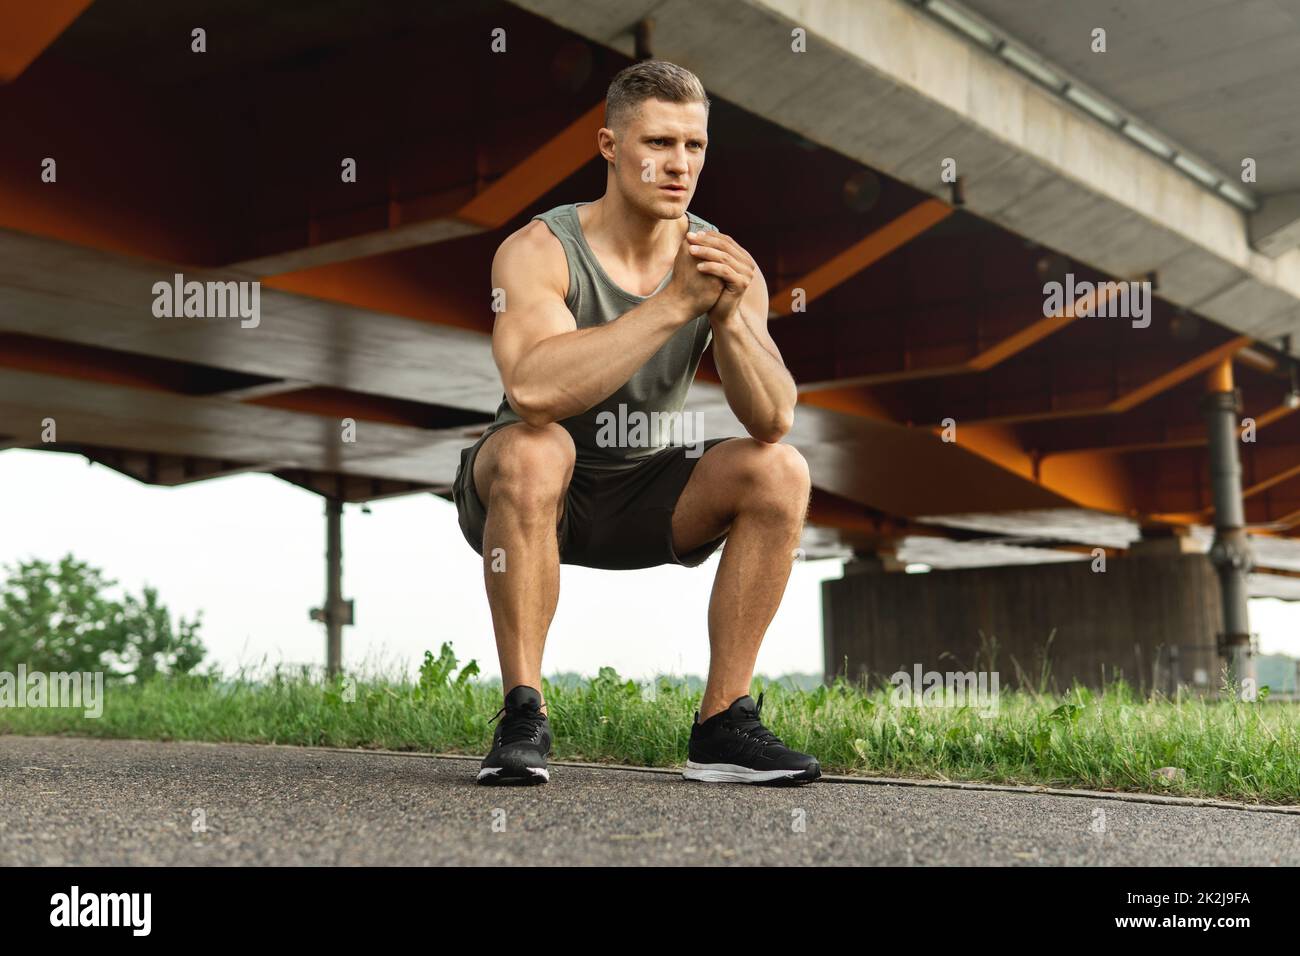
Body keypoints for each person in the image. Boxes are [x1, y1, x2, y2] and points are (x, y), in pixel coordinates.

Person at [453, 59, 820, 786]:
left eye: (694, 146)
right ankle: (524, 713)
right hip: (526, 495)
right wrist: (672, 306)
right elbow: (531, 389)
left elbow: (774, 415)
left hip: (642, 497)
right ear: (610, 146)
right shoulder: (539, 251)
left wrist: (729, 317)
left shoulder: (721, 260)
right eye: (657, 143)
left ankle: (722, 725)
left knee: (780, 468)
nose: (678, 165)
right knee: (536, 448)